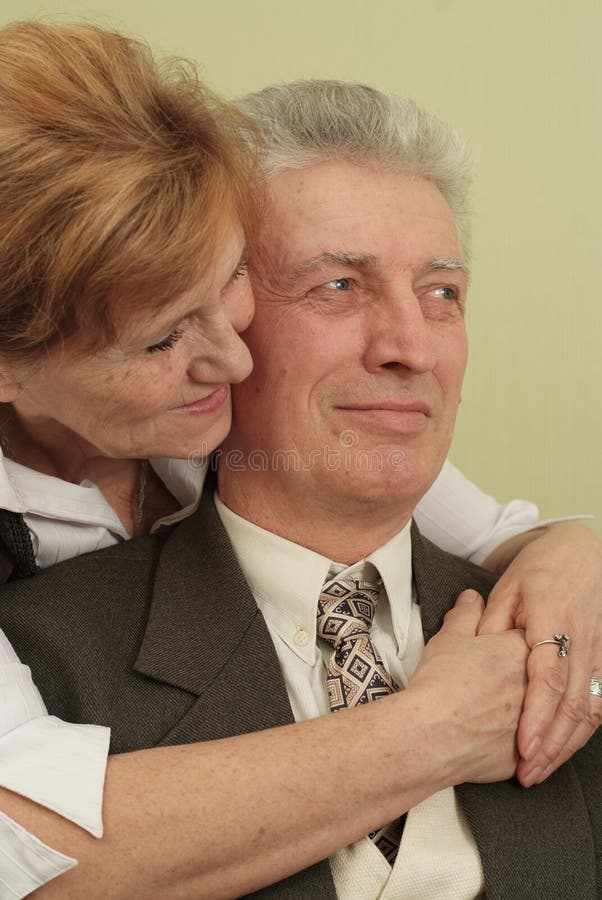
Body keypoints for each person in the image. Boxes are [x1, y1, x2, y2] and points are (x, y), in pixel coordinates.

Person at [1, 73, 600, 899]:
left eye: (442, 293)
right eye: (337, 285)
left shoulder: (568, 633)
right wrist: (433, 731)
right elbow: (25, 854)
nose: (410, 348)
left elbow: (479, 515)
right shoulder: (46, 651)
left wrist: (576, 549)